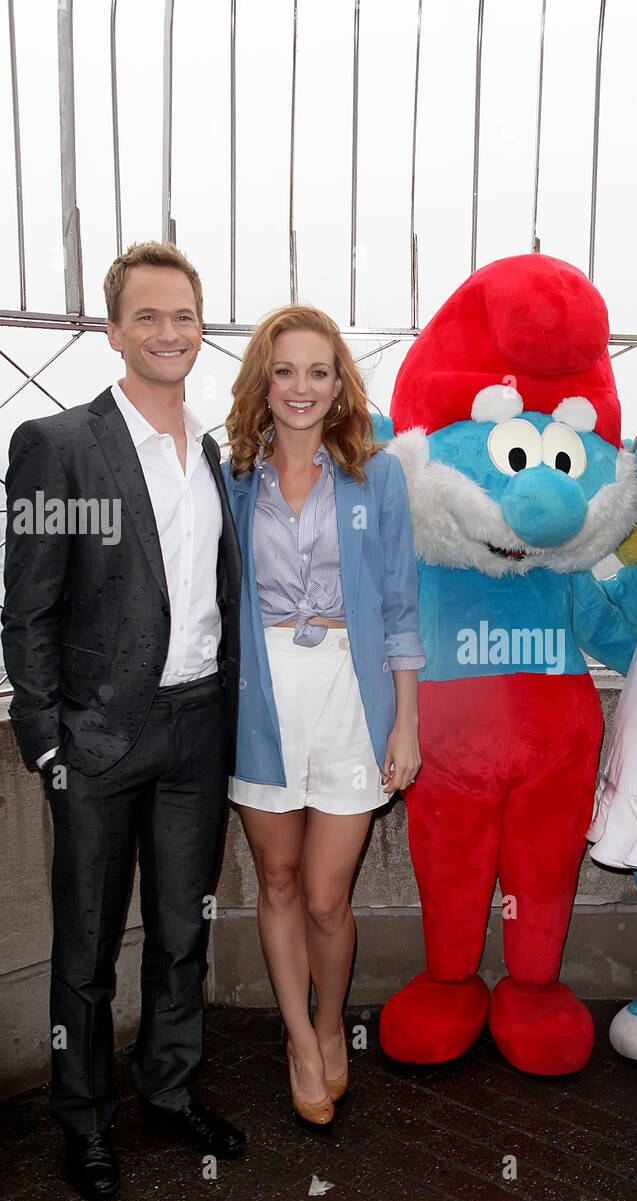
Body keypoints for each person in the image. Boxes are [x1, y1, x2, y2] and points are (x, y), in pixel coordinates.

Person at [2, 241, 246, 1201]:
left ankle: (170, 1090)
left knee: (183, 930)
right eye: (147, 316)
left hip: (197, 728)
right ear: (114, 332)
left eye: (183, 315)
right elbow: (27, 609)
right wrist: (48, 741)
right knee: (88, 945)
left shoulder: (214, 453)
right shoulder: (57, 445)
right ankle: (84, 1118)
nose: (168, 332)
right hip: (97, 741)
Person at [223, 305, 423, 1128]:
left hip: (352, 692)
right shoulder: (232, 475)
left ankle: (331, 1016)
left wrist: (405, 723)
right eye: (283, 370)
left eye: (317, 371)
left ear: (340, 384)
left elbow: (401, 606)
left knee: (324, 897)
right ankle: (301, 1040)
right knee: (274, 881)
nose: (300, 387)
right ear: (261, 382)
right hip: (259, 699)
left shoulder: (378, 476)